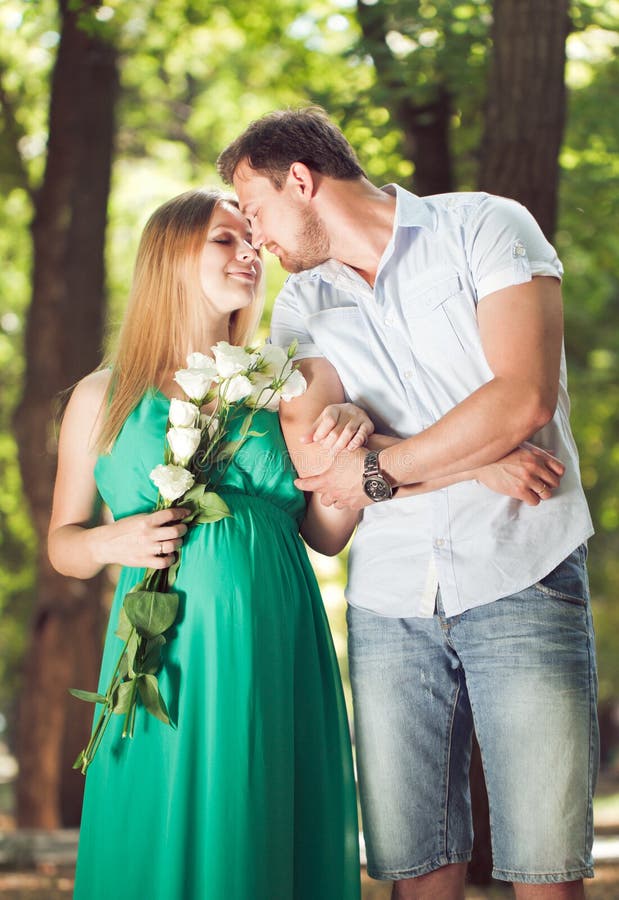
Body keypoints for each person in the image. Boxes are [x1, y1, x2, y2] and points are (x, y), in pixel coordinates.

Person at [218, 108, 598, 900]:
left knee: (543, 871)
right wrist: (468, 462)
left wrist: (382, 463)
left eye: (252, 211)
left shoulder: (484, 227)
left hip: (521, 571)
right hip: (389, 602)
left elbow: (521, 398)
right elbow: (323, 469)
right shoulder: (300, 308)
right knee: (415, 873)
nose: (252, 239)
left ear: (300, 180)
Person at [48, 189, 365, 900]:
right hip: (162, 651)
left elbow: (322, 532)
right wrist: (108, 541)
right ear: (169, 254)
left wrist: (356, 463)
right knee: (156, 819)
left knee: (259, 812)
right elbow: (63, 544)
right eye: (226, 239)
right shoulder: (103, 397)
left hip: (269, 643)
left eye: (253, 239)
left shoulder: (293, 381)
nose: (250, 251)